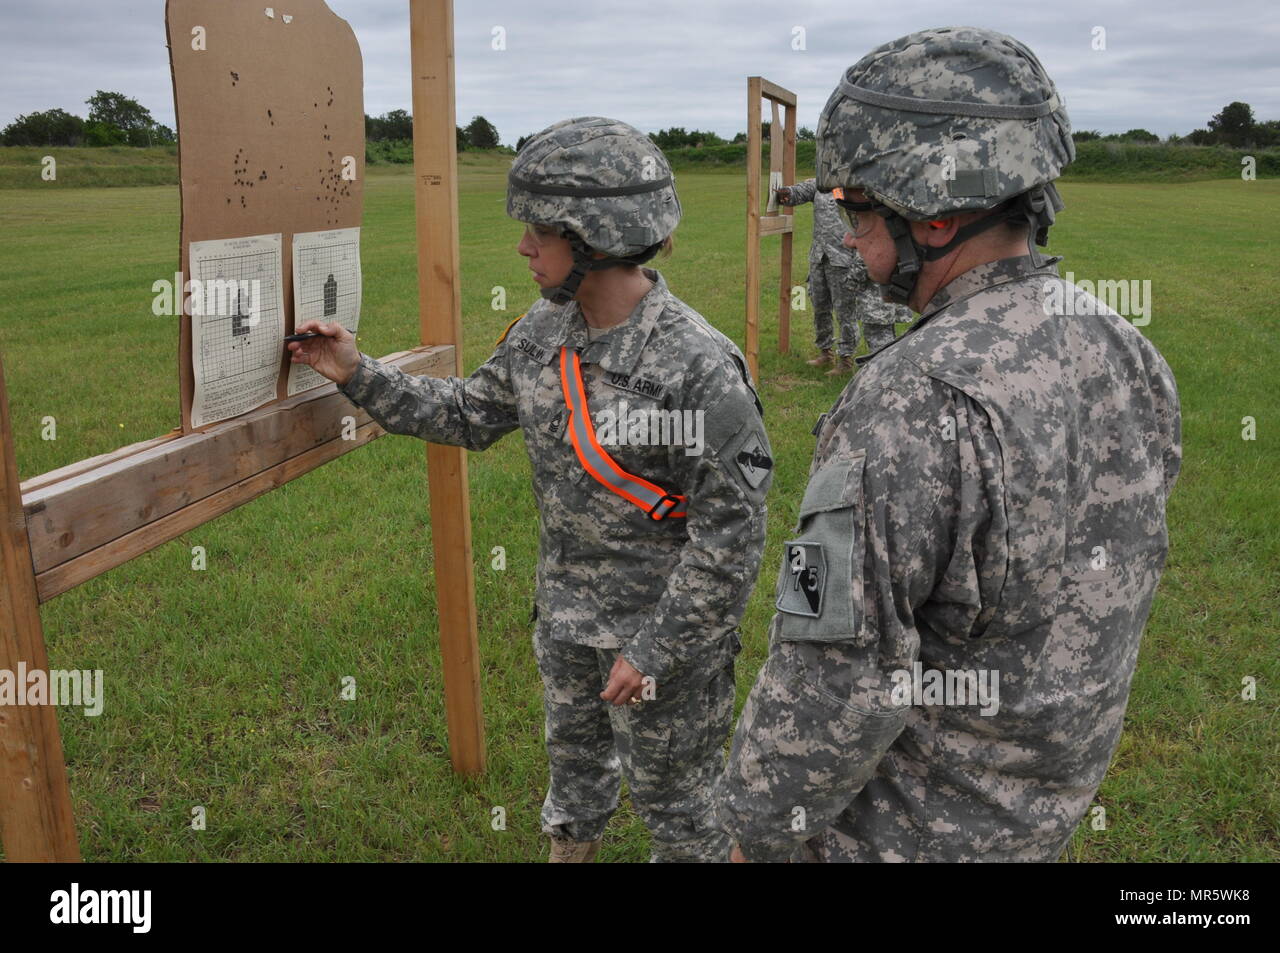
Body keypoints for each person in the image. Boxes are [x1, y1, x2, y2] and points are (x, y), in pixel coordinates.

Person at [715, 27, 1181, 862]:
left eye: (859, 212)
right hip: (1039, 817)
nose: (852, 241)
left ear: (932, 213)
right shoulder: (1125, 349)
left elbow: (830, 681)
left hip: (900, 832)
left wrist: (749, 835)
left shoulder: (911, 397)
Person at [289, 117, 771, 863]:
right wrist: (358, 372)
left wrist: (653, 651)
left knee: (684, 820)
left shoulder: (697, 367)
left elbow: (730, 539)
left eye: (540, 231)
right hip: (567, 630)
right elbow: (467, 414)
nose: (523, 247)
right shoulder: (541, 336)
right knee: (574, 796)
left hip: (664, 652)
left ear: (597, 238)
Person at [776, 177, 910, 376]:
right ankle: (825, 352)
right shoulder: (819, 185)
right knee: (819, 307)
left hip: (843, 259)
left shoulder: (853, 189)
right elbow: (797, 193)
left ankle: (845, 358)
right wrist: (784, 193)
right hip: (819, 257)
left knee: (844, 312)